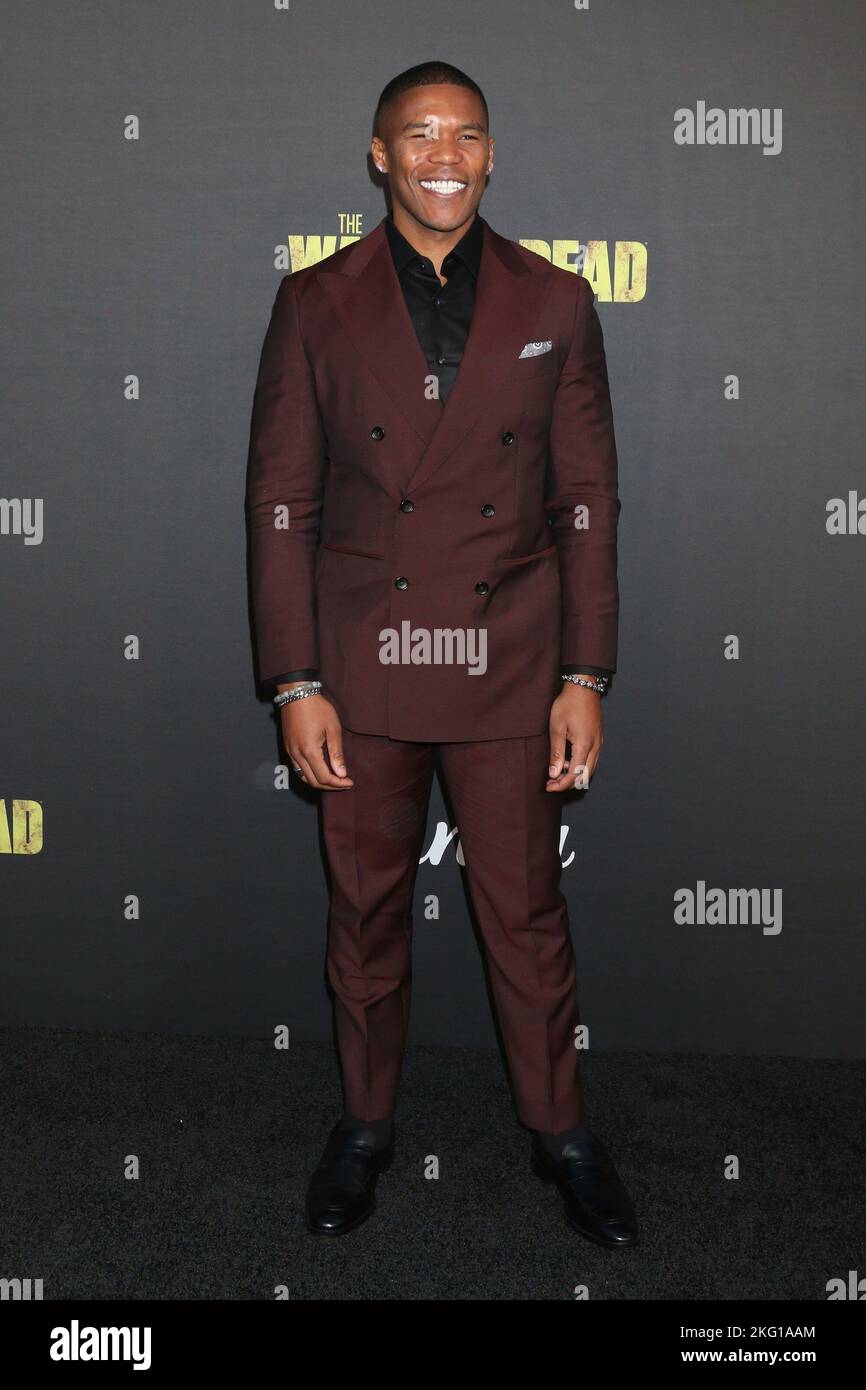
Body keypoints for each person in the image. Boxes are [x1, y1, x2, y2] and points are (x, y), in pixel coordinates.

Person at [246, 60, 637, 1247]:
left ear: (490, 154)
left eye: (464, 134)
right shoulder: (313, 301)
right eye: (417, 133)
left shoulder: (555, 300)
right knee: (364, 912)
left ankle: (561, 1132)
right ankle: (365, 1126)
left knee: (526, 918)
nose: (442, 155)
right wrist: (295, 680)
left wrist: (584, 674)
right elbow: (281, 503)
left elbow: (585, 501)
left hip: (507, 661)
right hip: (362, 666)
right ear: (378, 155)